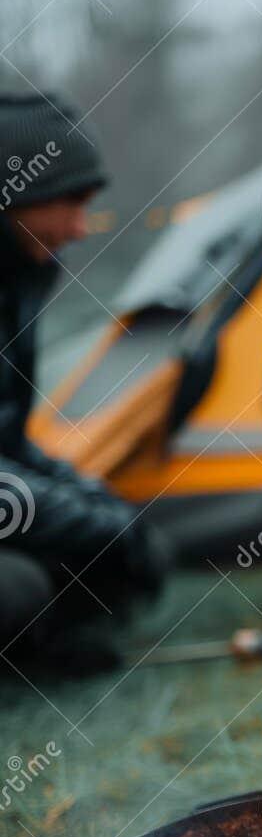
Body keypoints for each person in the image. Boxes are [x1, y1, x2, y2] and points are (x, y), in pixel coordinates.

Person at [0, 92, 168, 675]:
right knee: (19, 589)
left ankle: (42, 643)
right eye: (69, 203)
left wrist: (101, 505)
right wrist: (94, 525)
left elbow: (8, 442)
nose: (79, 226)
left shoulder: (22, 273)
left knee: (116, 552)